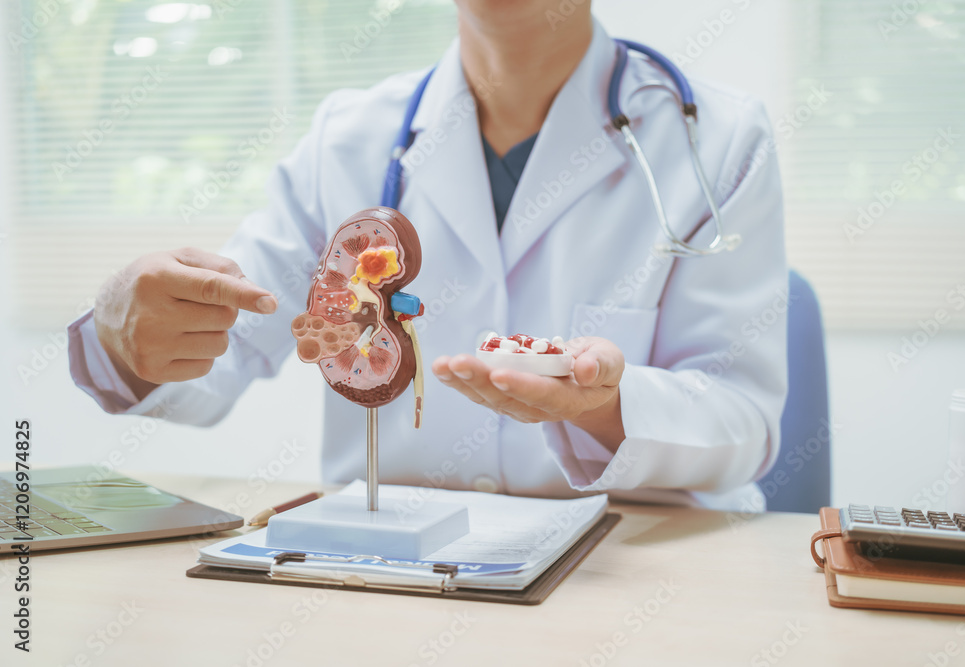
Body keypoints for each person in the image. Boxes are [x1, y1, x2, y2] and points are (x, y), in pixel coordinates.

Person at [68, 0, 788, 510]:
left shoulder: (717, 142)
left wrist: (608, 406)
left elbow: (745, 424)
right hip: (393, 572)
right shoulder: (347, 141)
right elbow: (216, 348)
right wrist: (124, 332)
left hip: (634, 576)